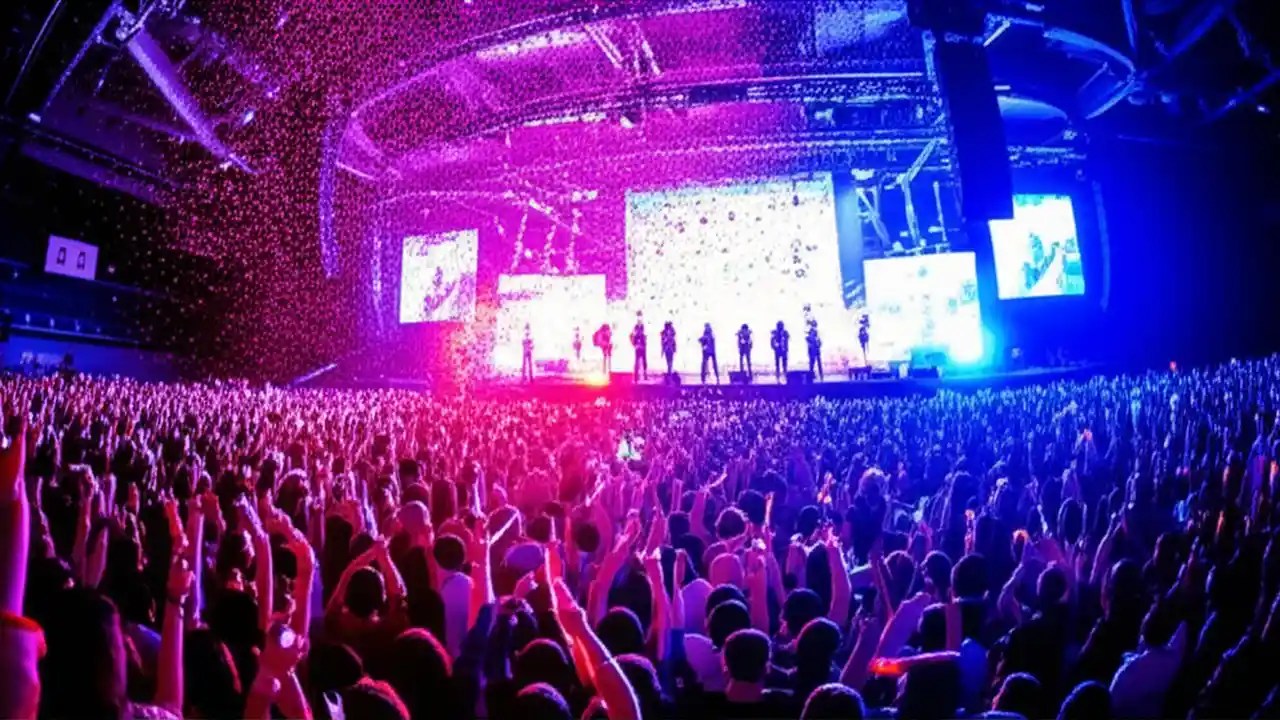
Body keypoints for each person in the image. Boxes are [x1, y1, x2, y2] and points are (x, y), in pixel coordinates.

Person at [630, 312, 648, 382]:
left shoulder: (642, 331)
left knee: (643, 361)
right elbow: (633, 339)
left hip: (642, 348)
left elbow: (644, 340)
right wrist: (636, 344)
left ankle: (643, 375)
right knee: (638, 362)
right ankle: (636, 377)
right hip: (639, 348)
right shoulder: (636, 331)